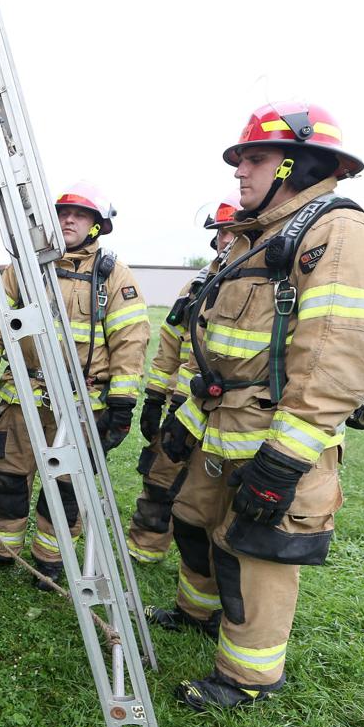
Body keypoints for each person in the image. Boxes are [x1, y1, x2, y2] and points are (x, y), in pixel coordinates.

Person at [153, 101, 364, 710]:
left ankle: (248, 678)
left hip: (273, 438)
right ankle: (197, 613)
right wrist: (184, 423)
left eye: (255, 159)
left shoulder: (340, 236)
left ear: (298, 163)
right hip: (219, 428)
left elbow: (335, 362)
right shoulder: (257, 240)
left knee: (253, 555)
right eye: (241, 160)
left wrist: (284, 463)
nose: (240, 172)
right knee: (194, 523)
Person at [0, 180, 149, 589]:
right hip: (19, 397)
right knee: (6, 476)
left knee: (66, 488)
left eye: (80, 215)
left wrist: (120, 405)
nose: (68, 219)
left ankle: (50, 559)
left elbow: (130, 341)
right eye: (63, 212)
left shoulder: (114, 276)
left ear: (97, 225)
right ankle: (0, 549)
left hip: (80, 404)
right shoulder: (26, 267)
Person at [127, 191, 241, 566]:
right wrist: (155, 399)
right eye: (222, 232)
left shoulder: (263, 285)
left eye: (234, 231)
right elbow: (169, 348)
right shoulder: (195, 287)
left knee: (217, 493)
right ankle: (144, 549)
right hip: (183, 405)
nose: (227, 239)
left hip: (235, 412)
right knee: (160, 476)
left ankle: (207, 568)